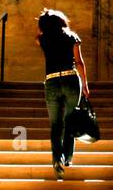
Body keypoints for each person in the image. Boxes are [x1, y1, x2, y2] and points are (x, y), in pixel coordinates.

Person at [37, 9, 90, 179]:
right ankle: (68, 158)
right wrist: (86, 85)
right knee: (69, 121)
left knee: (56, 124)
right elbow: (79, 63)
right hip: (71, 79)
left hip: (52, 81)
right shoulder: (72, 37)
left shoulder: (43, 39)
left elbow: (39, 33)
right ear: (61, 22)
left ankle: (56, 158)